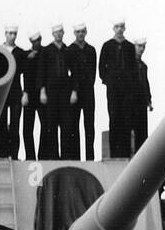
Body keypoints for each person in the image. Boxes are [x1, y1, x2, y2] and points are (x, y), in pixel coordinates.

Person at [99, 19, 138, 158]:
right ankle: (114, 153)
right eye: (117, 27)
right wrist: (108, 80)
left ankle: (126, 152)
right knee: (114, 117)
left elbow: (134, 68)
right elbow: (101, 66)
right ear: (113, 28)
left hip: (127, 88)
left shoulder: (129, 47)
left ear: (125, 28)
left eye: (122, 27)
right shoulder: (107, 45)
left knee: (126, 118)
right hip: (113, 87)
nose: (119, 29)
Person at [39, 24, 77, 159]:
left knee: (66, 124)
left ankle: (66, 155)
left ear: (63, 33)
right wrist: (42, 91)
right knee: (51, 124)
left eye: (60, 32)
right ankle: (53, 156)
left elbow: (74, 72)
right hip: (51, 91)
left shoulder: (68, 50)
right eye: (56, 32)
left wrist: (74, 91)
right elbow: (41, 72)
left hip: (65, 91)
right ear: (52, 34)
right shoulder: (47, 50)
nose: (58, 34)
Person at [68, 23, 98, 160]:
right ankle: (76, 157)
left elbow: (93, 71)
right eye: (78, 32)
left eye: (82, 31)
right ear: (74, 33)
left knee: (89, 125)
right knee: (74, 125)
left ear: (86, 32)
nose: (80, 34)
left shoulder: (91, 50)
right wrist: (73, 89)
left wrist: (89, 85)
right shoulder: (70, 50)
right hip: (75, 91)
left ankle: (90, 156)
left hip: (88, 91)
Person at [0, 24, 24, 158]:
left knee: (15, 124)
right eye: (10, 34)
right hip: (1, 92)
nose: (12, 36)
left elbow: (26, 73)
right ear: (5, 34)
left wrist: (25, 93)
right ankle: (2, 152)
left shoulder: (20, 52)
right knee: (0, 122)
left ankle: (14, 153)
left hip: (15, 92)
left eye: (14, 34)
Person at [21, 30, 44, 161]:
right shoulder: (26, 55)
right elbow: (25, 76)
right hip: (30, 94)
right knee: (27, 128)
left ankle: (42, 155)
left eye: (39, 40)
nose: (37, 43)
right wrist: (25, 93)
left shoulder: (45, 53)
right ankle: (30, 155)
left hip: (41, 93)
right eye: (35, 41)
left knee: (45, 126)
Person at [128, 37, 152, 153]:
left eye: (143, 47)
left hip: (141, 102)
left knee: (142, 132)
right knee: (129, 131)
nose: (141, 49)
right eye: (139, 46)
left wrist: (149, 100)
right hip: (130, 101)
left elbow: (145, 83)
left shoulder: (143, 66)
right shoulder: (128, 65)